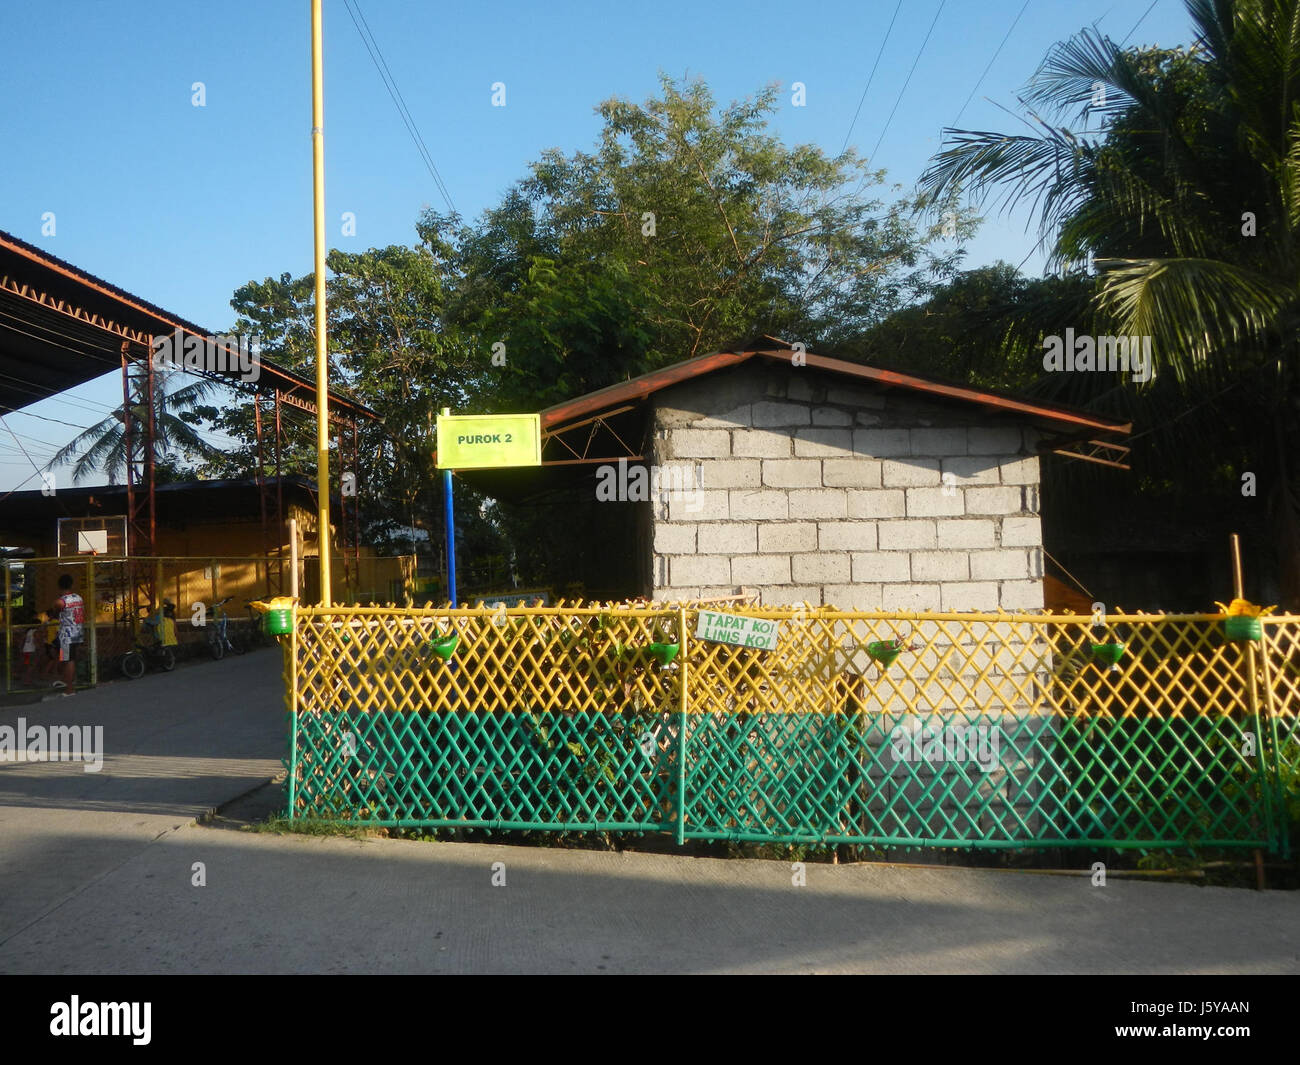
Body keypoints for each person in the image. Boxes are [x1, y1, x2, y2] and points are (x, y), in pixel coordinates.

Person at [51, 574, 84, 696]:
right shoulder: (79, 598)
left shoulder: (60, 602)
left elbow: (55, 613)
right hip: (78, 632)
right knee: (67, 658)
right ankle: (66, 680)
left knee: (68, 660)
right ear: (71, 584)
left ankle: (70, 689)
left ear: (59, 586)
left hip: (67, 635)